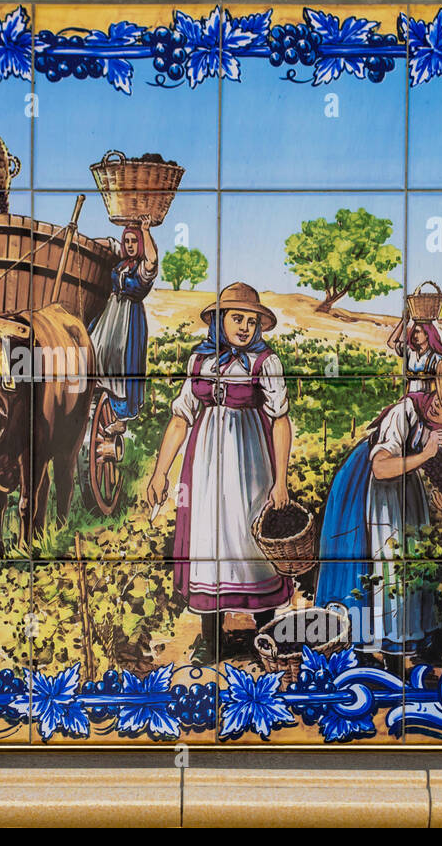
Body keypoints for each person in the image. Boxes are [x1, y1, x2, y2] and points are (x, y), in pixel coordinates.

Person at [144, 283, 294, 665]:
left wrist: (281, 480)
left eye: (251, 320)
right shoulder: (199, 362)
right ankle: (211, 644)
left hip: (251, 462)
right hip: (206, 463)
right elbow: (181, 418)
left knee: (251, 541)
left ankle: (266, 640)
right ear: (218, 320)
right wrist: (160, 473)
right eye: (236, 318)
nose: (244, 327)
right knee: (208, 540)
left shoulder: (265, 363)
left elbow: (280, 421)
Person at [314, 360, 442, 668]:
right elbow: (381, 467)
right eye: (440, 396)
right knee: (368, 558)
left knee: (402, 562)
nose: (437, 405)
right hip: (366, 485)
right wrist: (425, 454)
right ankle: (361, 653)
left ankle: (397, 653)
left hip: (406, 489)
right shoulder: (406, 411)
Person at [88, 218, 157, 428]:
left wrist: (145, 231)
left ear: (141, 244)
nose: (129, 245)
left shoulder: (142, 268)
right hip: (111, 313)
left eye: (133, 241)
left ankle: (121, 415)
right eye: (126, 240)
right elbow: (108, 244)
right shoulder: (121, 263)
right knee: (93, 345)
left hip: (129, 319)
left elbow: (152, 260)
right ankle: (94, 394)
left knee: (119, 356)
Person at [387, 314, 442, 393]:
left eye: (418, 332)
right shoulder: (410, 351)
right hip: (410, 394)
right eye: (414, 332)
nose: (415, 335)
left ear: (427, 335)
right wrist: (404, 321)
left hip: (428, 398)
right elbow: (391, 343)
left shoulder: (436, 358)